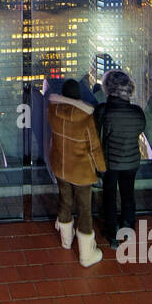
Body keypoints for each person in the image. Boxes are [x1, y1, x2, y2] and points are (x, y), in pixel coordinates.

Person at [46, 78, 108, 267]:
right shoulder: (85, 118)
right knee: (84, 209)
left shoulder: (53, 111)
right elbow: (95, 147)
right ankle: (86, 255)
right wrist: (101, 168)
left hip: (60, 165)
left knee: (65, 200)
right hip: (81, 170)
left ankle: (66, 241)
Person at [93, 70, 148, 249]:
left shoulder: (103, 111)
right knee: (128, 195)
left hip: (109, 162)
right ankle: (128, 227)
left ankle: (112, 233)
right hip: (131, 161)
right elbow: (141, 128)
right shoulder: (137, 112)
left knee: (109, 196)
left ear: (108, 88)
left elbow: (96, 134)